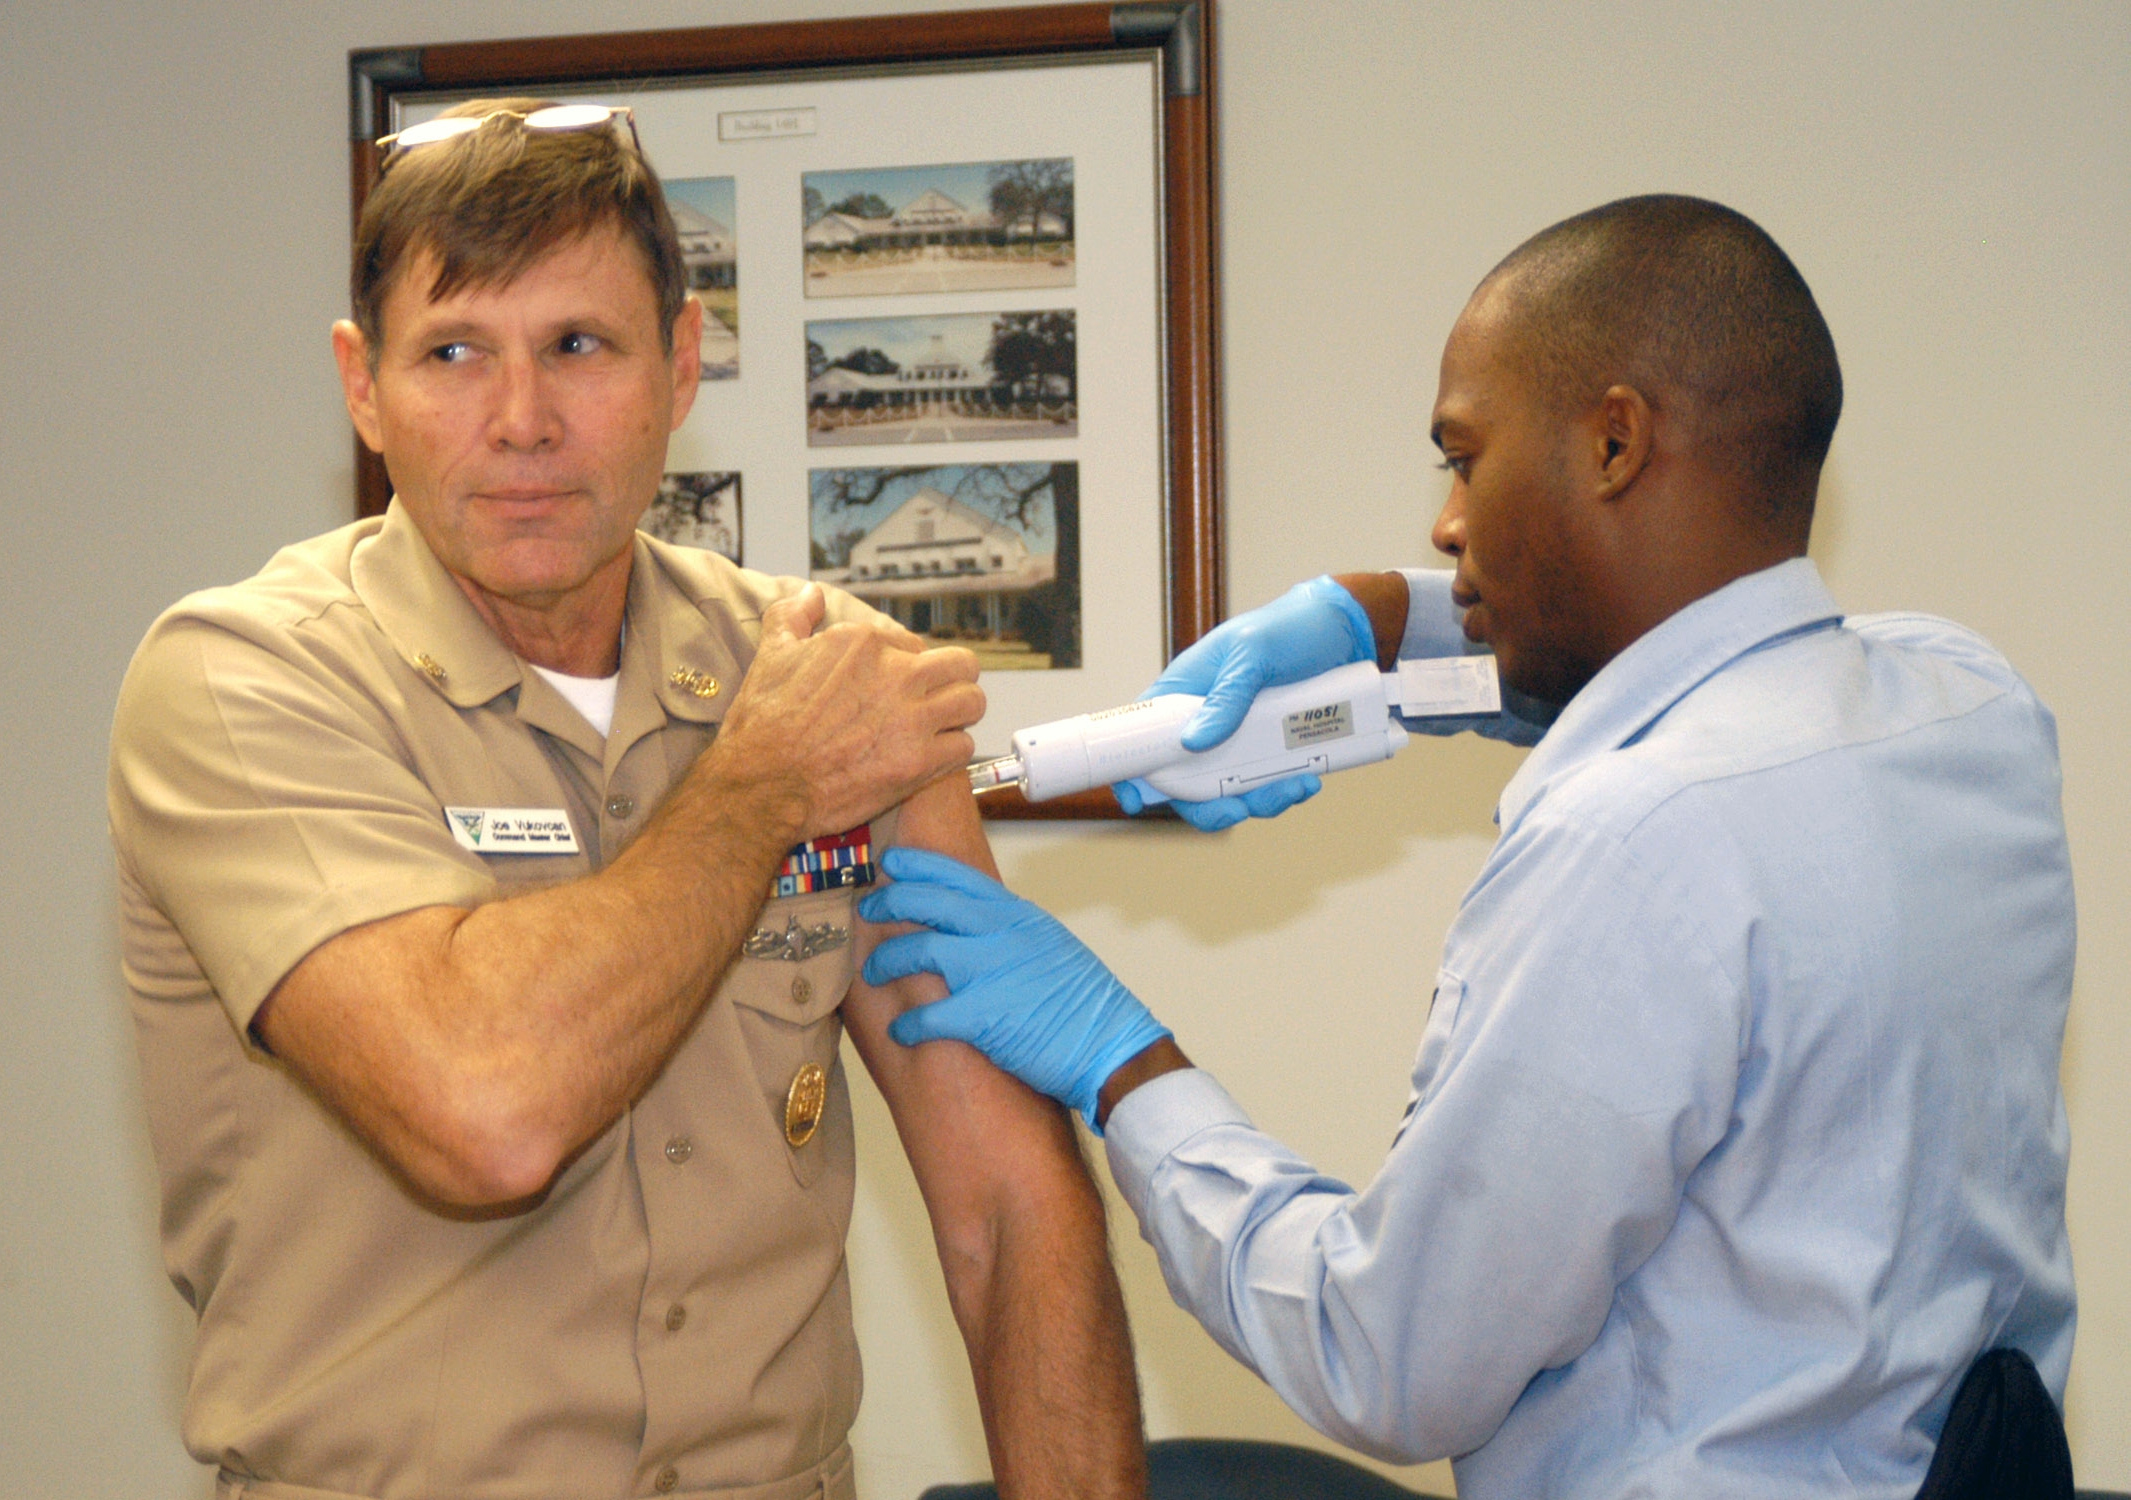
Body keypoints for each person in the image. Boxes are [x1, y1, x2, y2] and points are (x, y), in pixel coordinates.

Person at [863, 195, 2077, 1498]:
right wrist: (1382, 630)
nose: (1445, 525)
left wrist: (1121, 1060)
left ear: (1613, 441)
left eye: (1462, 456)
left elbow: (1385, 1357)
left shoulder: (1634, 838)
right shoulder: (1971, 704)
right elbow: (1722, 673)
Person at [108, 99, 1144, 1500]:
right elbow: (481, 1109)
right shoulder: (244, 679)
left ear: (681, 361)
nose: (521, 420)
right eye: (455, 353)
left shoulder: (824, 674)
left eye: (579, 347)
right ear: (363, 385)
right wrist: (760, 786)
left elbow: (1008, 1204)